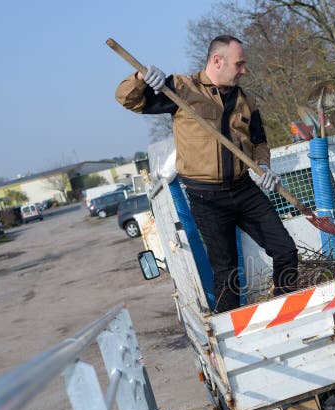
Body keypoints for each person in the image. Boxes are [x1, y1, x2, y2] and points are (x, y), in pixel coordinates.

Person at [115, 35, 299, 313]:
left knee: (285, 249)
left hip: (244, 189)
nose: (244, 70)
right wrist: (141, 76)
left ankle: (289, 313)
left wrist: (264, 167)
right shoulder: (181, 90)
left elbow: (259, 141)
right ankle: (231, 333)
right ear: (217, 60)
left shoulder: (246, 100)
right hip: (206, 198)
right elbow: (127, 99)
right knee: (226, 272)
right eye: (239, 64)